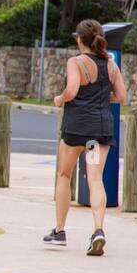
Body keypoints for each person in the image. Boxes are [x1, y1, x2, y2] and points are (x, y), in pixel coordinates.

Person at [45, 19, 128, 255]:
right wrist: (101, 99)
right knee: (95, 179)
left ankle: (60, 231)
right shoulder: (110, 64)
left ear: (80, 40)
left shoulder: (76, 62)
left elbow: (71, 91)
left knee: (64, 174)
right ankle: (98, 230)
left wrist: (60, 99)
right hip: (98, 132)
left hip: (76, 129)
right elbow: (121, 96)